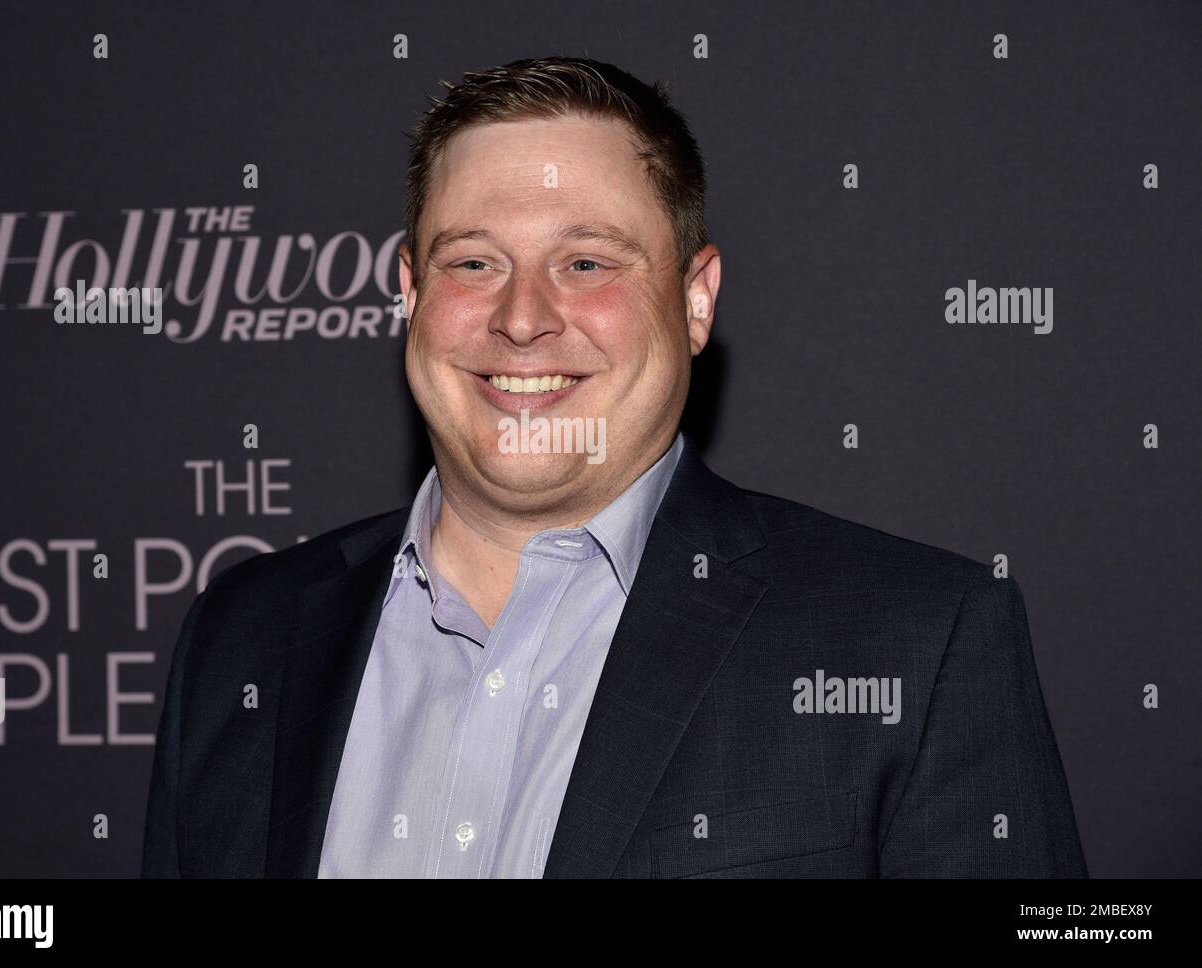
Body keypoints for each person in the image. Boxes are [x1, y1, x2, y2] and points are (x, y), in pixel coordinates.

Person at [142, 56, 1086, 878]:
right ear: (409, 293)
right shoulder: (244, 638)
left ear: (696, 301)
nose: (521, 317)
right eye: (472, 263)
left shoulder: (914, 643)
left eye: (588, 263)